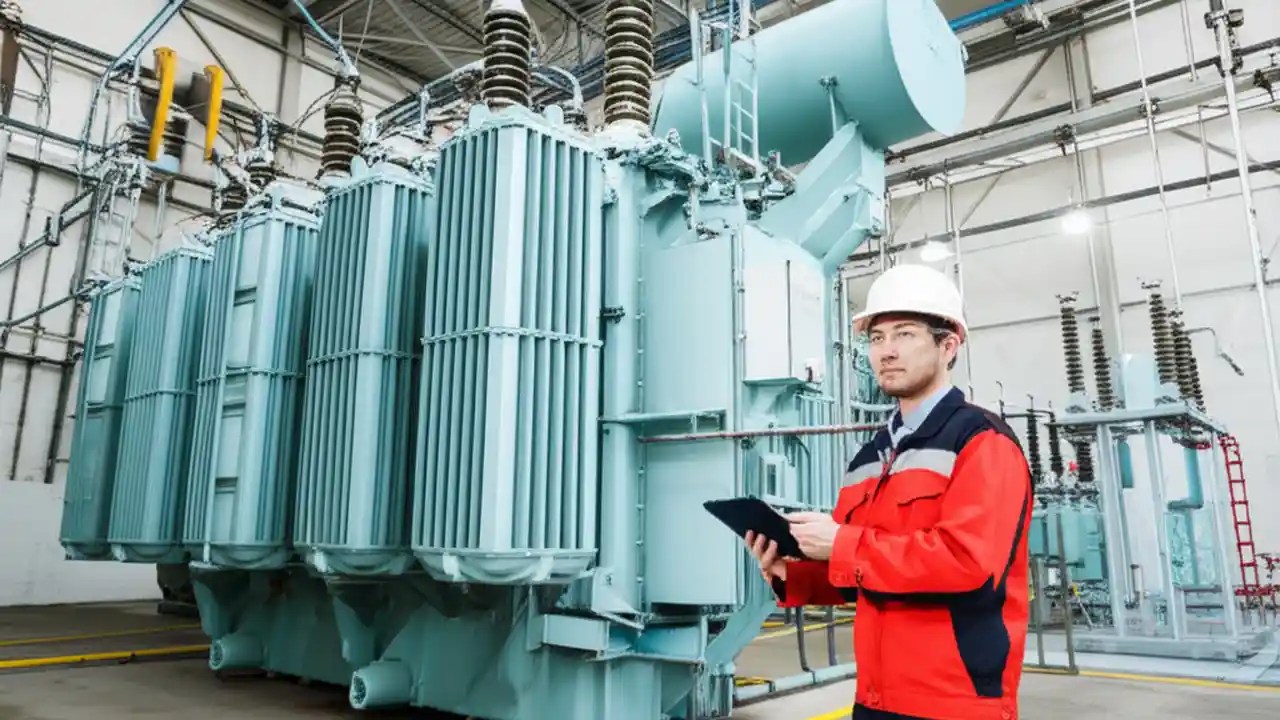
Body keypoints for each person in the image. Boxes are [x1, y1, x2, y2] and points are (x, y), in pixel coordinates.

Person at [745, 263, 1032, 720]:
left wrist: (840, 543)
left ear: (948, 345)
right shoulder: (869, 457)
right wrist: (792, 573)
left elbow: (967, 563)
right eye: (877, 338)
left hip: (954, 701)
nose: (887, 351)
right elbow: (863, 575)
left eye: (905, 334)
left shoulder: (982, 441)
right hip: (875, 696)